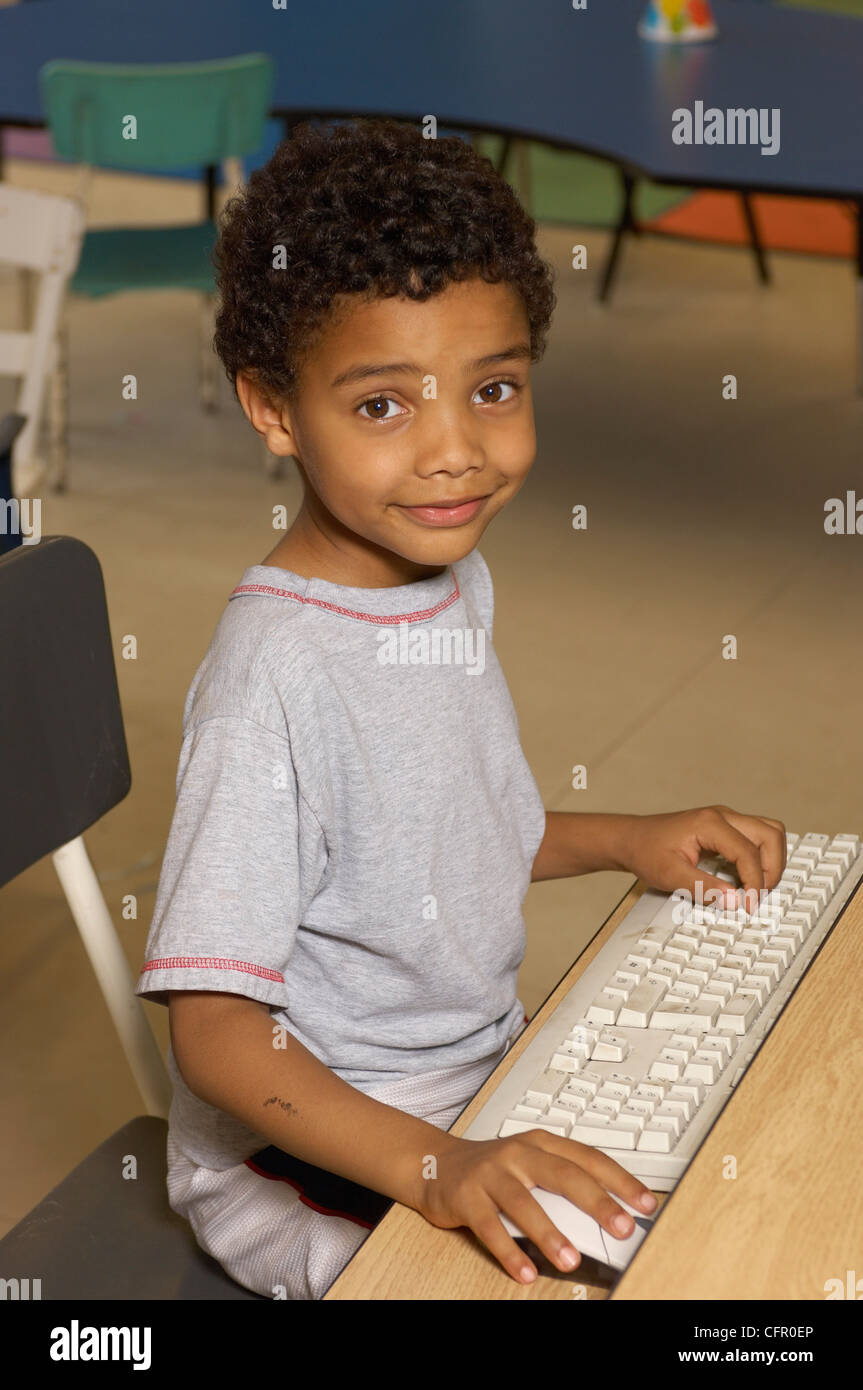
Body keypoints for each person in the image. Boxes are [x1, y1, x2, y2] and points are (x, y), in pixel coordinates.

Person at [134, 117, 786, 1300]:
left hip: (474, 1094)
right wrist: (436, 1170)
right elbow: (216, 1030)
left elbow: (450, 835)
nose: (454, 452)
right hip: (306, 1159)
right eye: (382, 406)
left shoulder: (446, 579)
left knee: (750, 1200)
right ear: (274, 409)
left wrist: (627, 841)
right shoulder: (270, 677)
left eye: (492, 389)